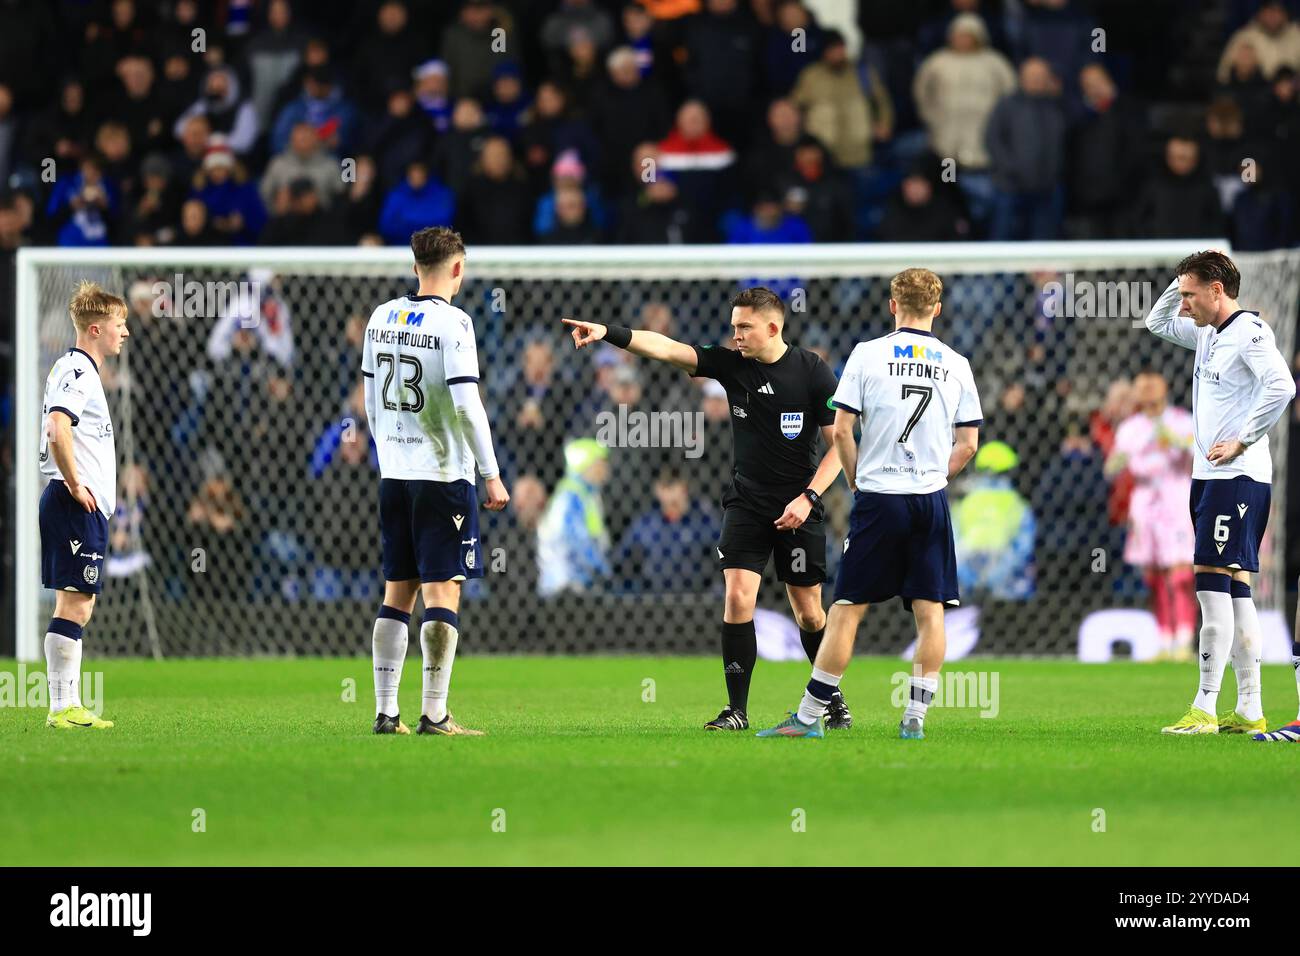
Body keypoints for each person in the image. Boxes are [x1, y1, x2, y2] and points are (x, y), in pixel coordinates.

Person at [562, 287, 846, 731]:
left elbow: (840, 449)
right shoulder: (732, 364)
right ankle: (737, 710)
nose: (736, 335)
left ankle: (829, 696)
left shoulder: (813, 372)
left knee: (809, 611)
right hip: (747, 502)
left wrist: (808, 498)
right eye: (734, 326)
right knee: (737, 596)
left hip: (799, 504)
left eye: (744, 327)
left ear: (773, 327)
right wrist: (608, 333)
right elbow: (669, 348)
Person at [756, 268, 981, 740]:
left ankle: (809, 718)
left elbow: (840, 430)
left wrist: (859, 482)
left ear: (892, 306)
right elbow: (968, 444)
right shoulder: (956, 362)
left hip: (880, 497)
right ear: (937, 309)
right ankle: (914, 721)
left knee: (847, 608)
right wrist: (934, 479)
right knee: (930, 611)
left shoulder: (868, 354)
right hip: (929, 499)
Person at [361, 226, 510, 736]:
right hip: (442, 473)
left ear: (413, 266)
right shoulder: (456, 323)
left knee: (396, 590)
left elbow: (369, 399)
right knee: (443, 591)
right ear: (458, 269)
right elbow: (467, 404)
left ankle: (385, 712)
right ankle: (435, 713)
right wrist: (490, 475)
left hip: (394, 472)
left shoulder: (380, 317)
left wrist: (386, 452)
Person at [1143, 251, 1297, 739]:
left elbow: (1283, 385)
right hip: (1214, 477)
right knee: (1236, 587)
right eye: (1182, 292)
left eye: (1191, 293)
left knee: (1210, 584)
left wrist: (1244, 438)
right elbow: (1155, 320)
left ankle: (1204, 706)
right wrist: (1180, 282)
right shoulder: (1208, 333)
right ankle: (1249, 707)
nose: (1182, 303)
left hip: (1236, 476)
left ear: (1217, 290)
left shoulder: (1250, 334)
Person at [38, 282, 131, 730]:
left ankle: (64, 706)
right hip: (73, 501)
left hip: (74, 502)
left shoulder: (79, 369)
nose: (125, 332)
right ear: (96, 328)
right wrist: (76, 484)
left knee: (75, 604)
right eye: (119, 324)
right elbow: (58, 426)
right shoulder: (78, 370)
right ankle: (63, 707)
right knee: (76, 605)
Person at [1105, 370, 1197, 661]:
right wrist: (1117, 461)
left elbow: (1200, 454)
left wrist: (1179, 442)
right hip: (1145, 501)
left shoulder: (1182, 420)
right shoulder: (1131, 427)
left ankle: (1184, 639)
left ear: (1164, 386)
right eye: (1140, 385)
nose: (1146, 390)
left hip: (1176, 495)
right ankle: (1163, 640)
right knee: (1154, 574)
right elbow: (1112, 468)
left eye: (1151, 384)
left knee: (1180, 572)